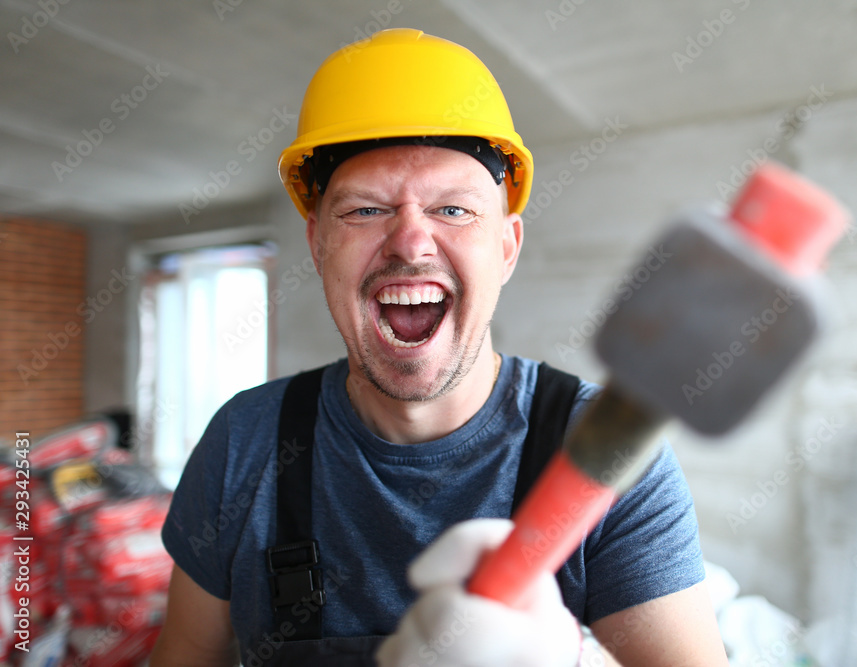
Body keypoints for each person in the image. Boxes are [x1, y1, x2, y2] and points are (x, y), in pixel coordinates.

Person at [150, 28, 728, 667]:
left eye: (453, 210)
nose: (410, 242)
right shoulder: (245, 443)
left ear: (506, 248)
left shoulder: (607, 452)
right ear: (316, 246)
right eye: (365, 211)